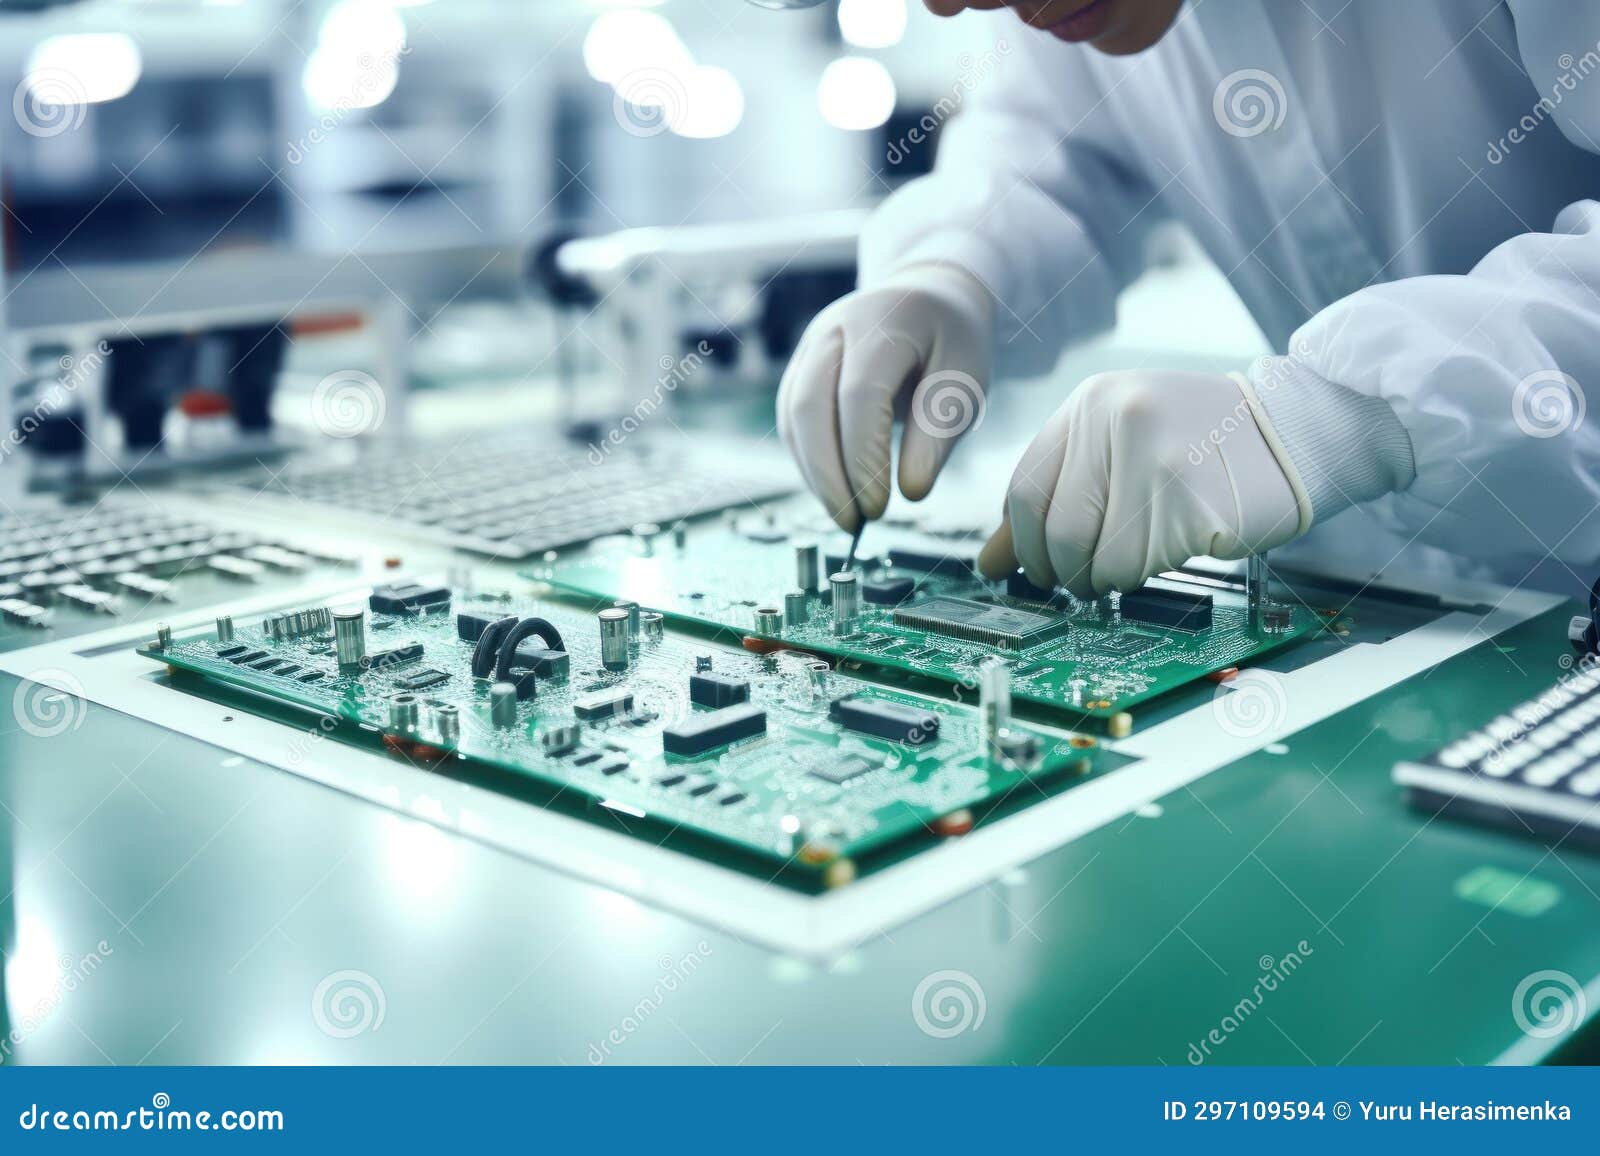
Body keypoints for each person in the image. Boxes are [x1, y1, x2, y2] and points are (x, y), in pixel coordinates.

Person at [775, 0, 1600, 599]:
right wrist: (955, 273)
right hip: (1390, 603)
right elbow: (1055, 153)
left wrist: (1345, 422)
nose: (950, 5)